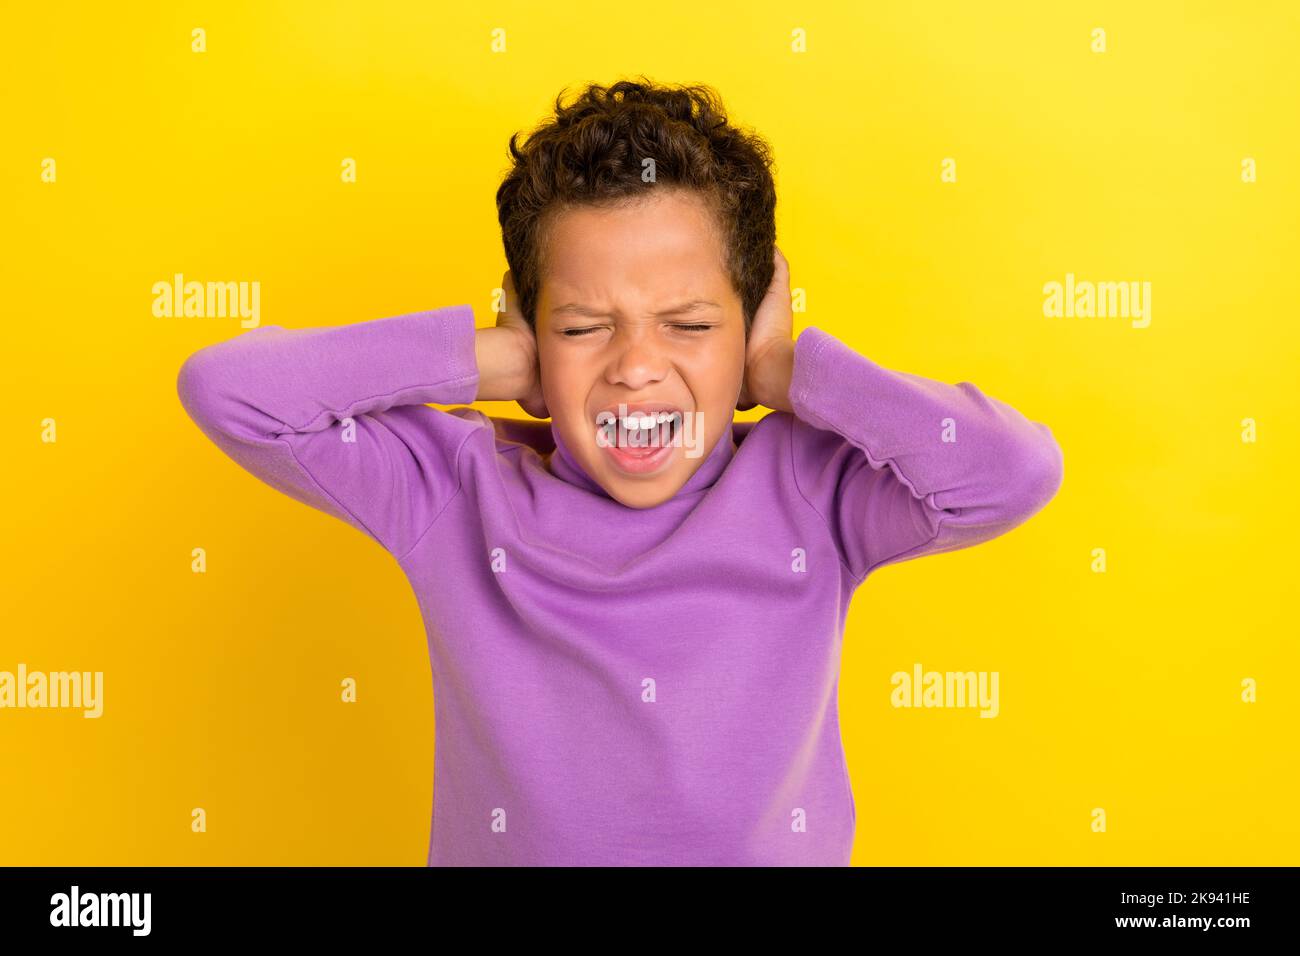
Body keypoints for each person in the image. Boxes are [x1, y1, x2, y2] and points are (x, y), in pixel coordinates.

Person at [176, 77, 1064, 866]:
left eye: (688, 324)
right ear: (528, 335)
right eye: (582, 327)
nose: (637, 367)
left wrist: (789, 372)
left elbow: (1011, 471)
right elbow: (230, 391)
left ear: (750, 327)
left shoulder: (813, 490)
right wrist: (490, 362)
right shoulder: (453, 492)